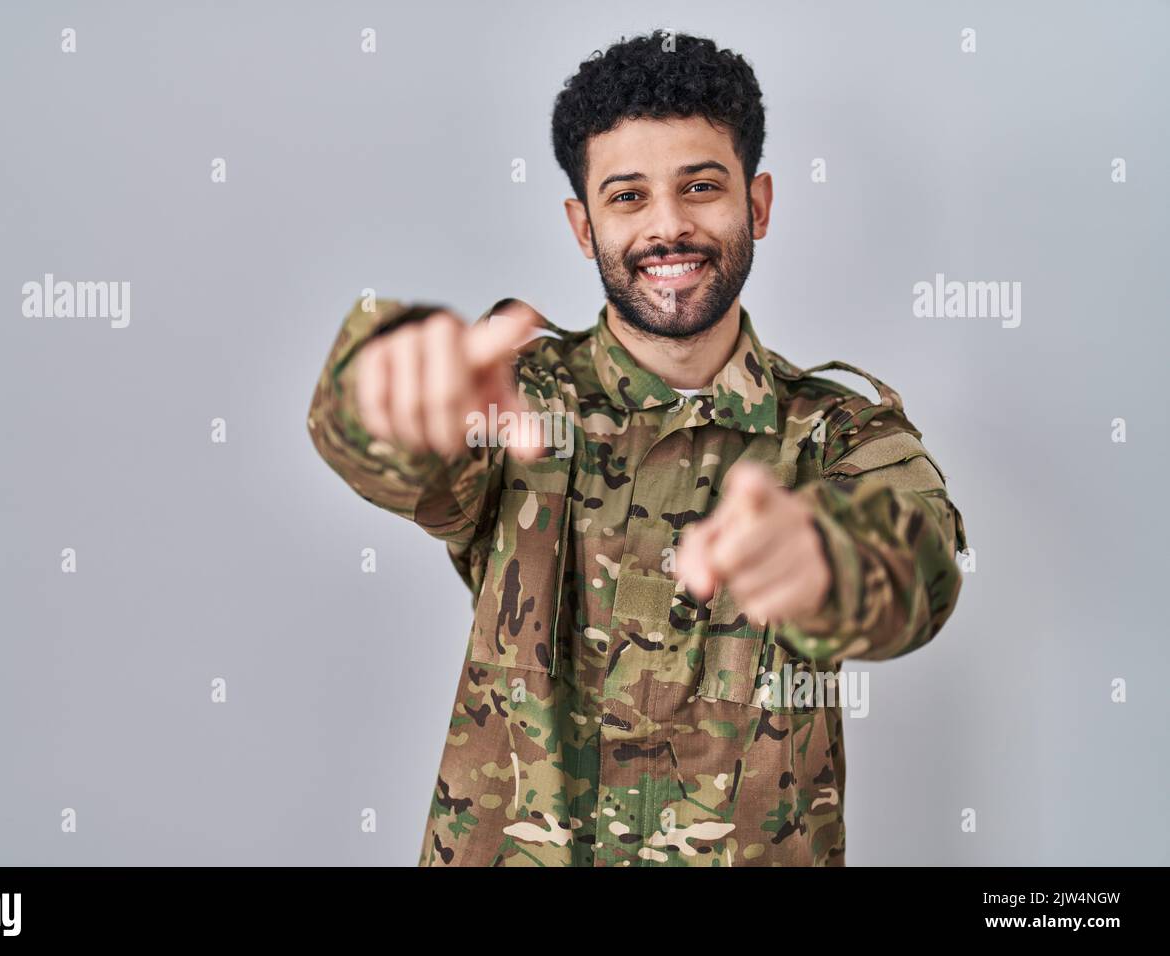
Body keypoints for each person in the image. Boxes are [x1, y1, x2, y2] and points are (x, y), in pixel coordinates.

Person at [308, 30, 968, 867]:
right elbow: (389, 452)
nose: (669, 226)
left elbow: (921, 561)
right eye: (628, 196)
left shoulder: (838, 431)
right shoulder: (520, 404)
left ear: (757, 204)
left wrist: (830, 558)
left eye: (701, 187)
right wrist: (380, 396)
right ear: (583, 225)